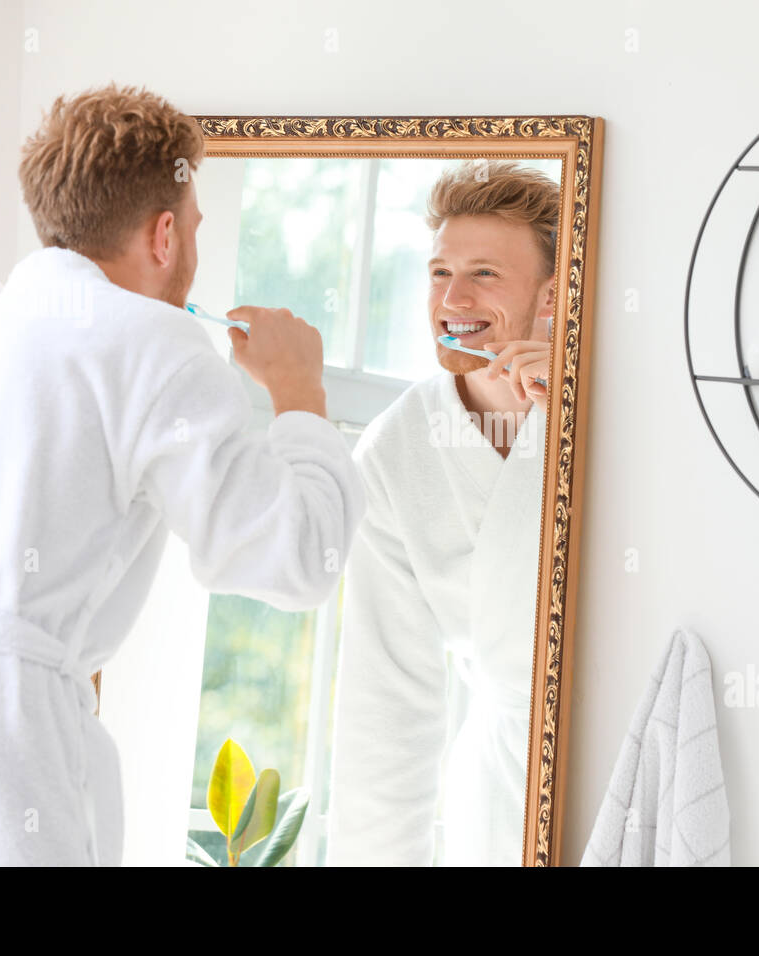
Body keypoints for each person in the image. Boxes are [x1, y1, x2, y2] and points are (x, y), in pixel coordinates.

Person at [0, 84, 364, 866]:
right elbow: (294, 559)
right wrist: (299, 395)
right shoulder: (156, 345)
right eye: (194, 228)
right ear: (163, 236)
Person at [325, 160, 558, 866]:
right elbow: (384, 703)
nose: (451, 298)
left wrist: (569, 407)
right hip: (493, 806)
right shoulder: (395, 451)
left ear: (554, 294)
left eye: (484, 273)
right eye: (437, 272)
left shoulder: (607, 412)